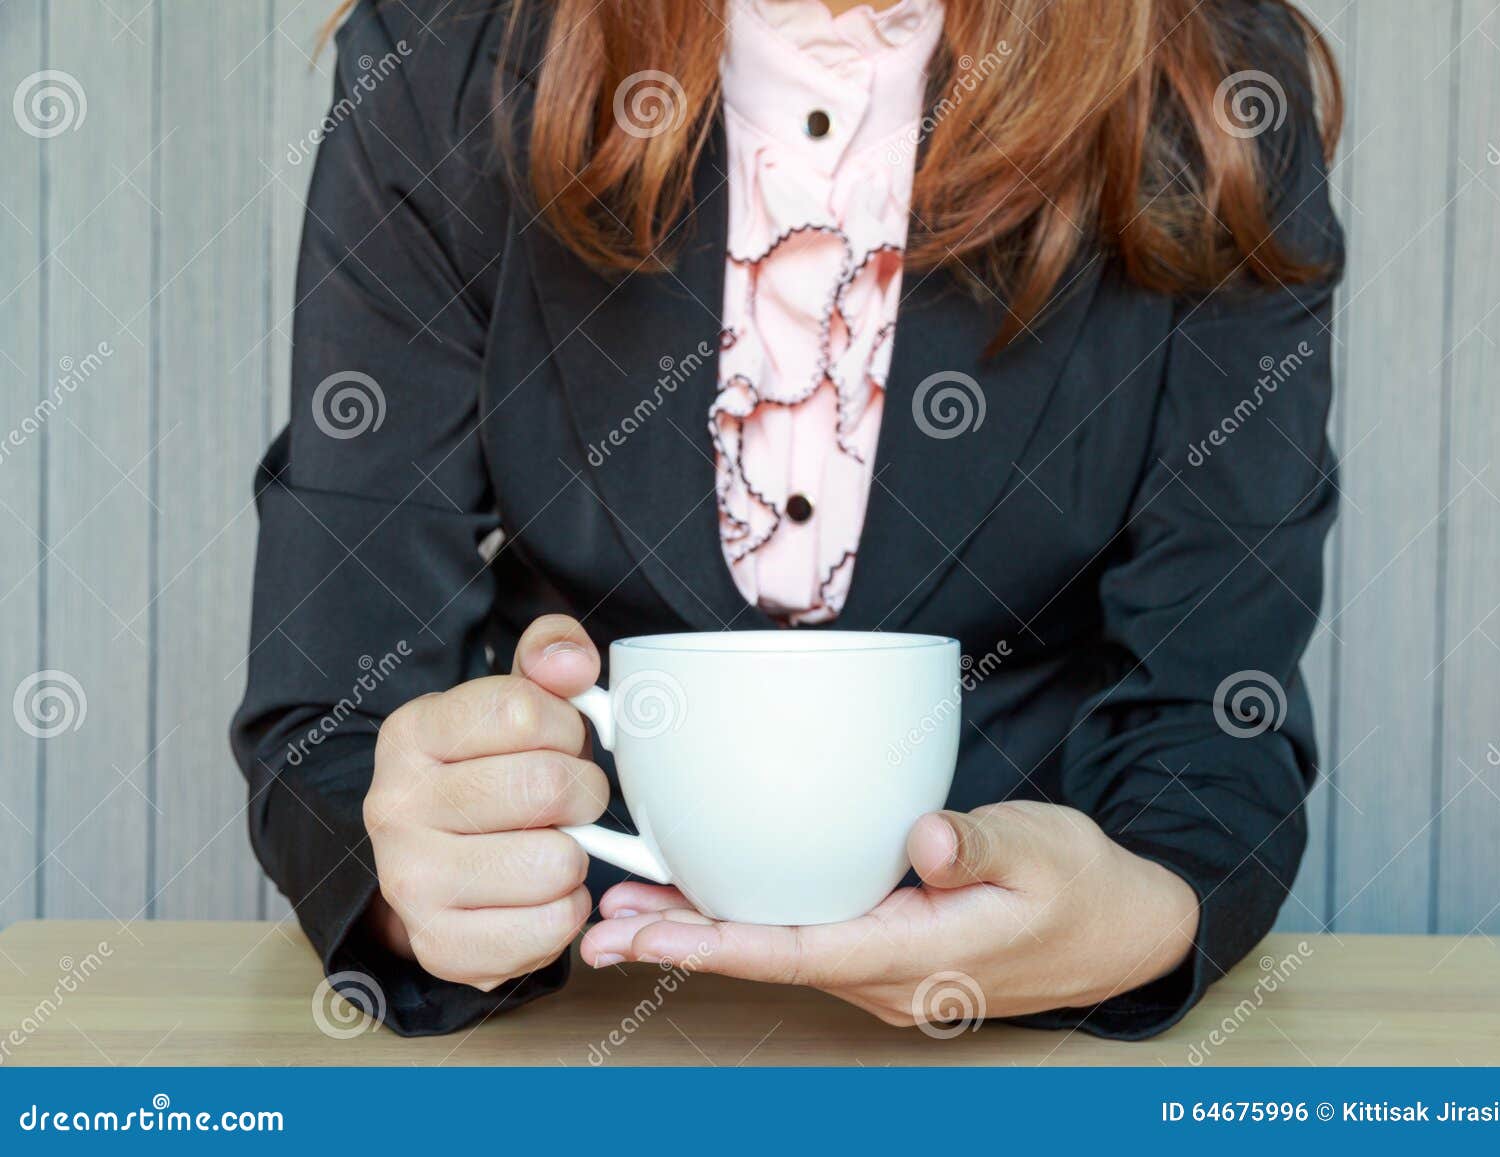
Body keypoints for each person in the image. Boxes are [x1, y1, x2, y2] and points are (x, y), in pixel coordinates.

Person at [232, 0, 1344, 1039]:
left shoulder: (1208, 72)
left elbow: (1216, 712)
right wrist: (416, 886)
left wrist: (1142, 921)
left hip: (1019, 1037)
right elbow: (335, 713)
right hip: (593, 1018)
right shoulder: (447, 47)